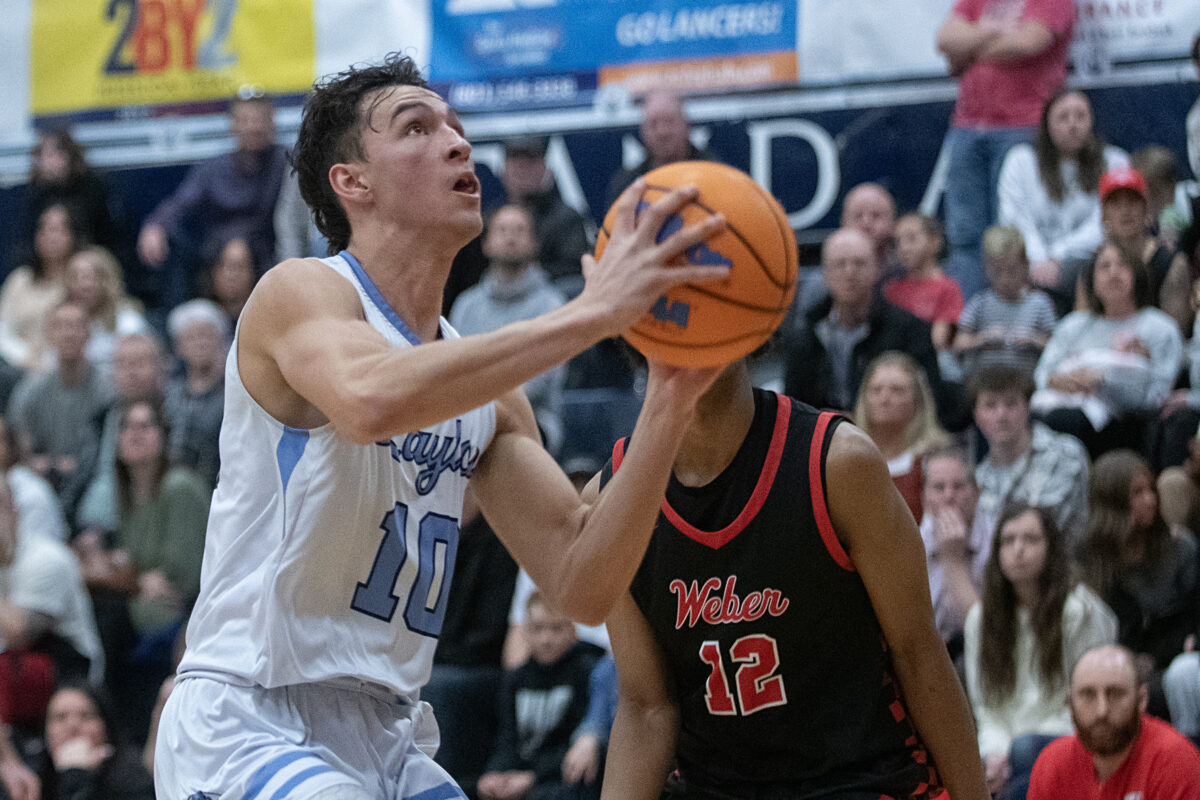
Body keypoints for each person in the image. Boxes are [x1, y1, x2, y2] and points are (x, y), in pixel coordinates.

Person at [153, 52, 731, 800]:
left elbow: (580, 583)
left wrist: (669, 401)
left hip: (389, 732)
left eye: (456, 127)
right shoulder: (301, 291)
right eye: (417, 129)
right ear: (351, 182)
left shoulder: (488, 391)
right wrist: (591, 315)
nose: (458, 143)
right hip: (251, 714)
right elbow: (369, 401)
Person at [597, 358, 989, 798]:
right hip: (712, 786)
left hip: (856, 779)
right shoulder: (612, 498)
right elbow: (646, 706)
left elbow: (918, 652)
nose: (691, 339)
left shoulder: (838, 462)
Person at [964, 505, 1116, 799]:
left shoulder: (1078, 610)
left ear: (1051, 548)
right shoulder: (980, 620)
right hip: (1004, 747)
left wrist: (1012, 752)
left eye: (1031, 539)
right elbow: (987, 708)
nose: (1018, 549)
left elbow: (1088, 702)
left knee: (1024, 753)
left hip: (1067, 737)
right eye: (1008, 540)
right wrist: (994, 753)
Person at [936, 0, 1076, 301]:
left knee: (1014, 235)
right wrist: (995, 31)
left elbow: (1028, 43)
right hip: (967, 127)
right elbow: (944, 39)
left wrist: (968, 50)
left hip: (1023, 127)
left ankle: (1017, 313)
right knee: (963, 234)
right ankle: (969, 317)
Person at [1076, 450, 1199, 719]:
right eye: (1138, 493)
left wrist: (1154, 657)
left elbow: (1190, 621)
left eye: (1151, 490)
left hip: (1170, 665)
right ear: (1113, 502)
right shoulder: (1087, 559)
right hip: (1109, 667)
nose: (1150, 499)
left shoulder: (1180, 550)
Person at [1031, 240, 1183, 458]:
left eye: (1122, 265)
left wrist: (1108, 381)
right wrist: (1063, 381)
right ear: (1091, 280)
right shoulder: (1073, 325)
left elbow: (1159, 396)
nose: (1113, 273)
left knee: (1066, 421)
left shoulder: (1160, 328)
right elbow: (1042, 376)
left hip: (1127, 426)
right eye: (1104, 267)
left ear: (1137, 274)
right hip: (1064, 406)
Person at [136, 91, 287, 308]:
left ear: (272, 122)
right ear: (232, 125)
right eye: (245, 119)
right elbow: (180, 203)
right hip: (216, 260)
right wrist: (155, 226)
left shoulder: (289, 163)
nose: (253, 127)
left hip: (271, 255)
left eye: (260, 119)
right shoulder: (213, 168)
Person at [784, 227, 950, 421]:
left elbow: (930, 401)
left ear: (876, 270)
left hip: (891, 432)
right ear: (825, 274)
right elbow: (793, 408)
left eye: (859, 263)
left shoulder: (911, 330)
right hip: (823, 433)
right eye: (840, 264)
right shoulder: (806, 331)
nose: (849, 272)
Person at [450, 204, 568, 455]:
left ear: (534, 244)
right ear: (486, 243)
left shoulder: (552, 304)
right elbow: (453, 368)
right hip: (467, 418)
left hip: (533, 422)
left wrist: (483, 402)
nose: (511, 237)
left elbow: (539, 379)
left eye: (519, 230)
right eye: (502, 230)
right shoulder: (466, 305)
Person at [998, 90, 1129, 314]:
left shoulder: (1115, 161)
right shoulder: (1021, 161)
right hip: (1031, 263)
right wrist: (1038, 259)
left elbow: (1104, 222)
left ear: (1092, 121)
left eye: (1080, 116)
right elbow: (1014, 218)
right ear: (1047, 125)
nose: (1073, 125)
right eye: (1063, 117)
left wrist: (1058, 255)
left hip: (1084, 261)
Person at [1027, 645, 1200, 799]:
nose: (1101, 711)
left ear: (1141, 699)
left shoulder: (1176, 762)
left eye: (1115, 694)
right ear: (1070, 704)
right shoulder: (1052, 765)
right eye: (1088, 695)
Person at [478, 592, 602, 800]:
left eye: (556, 628)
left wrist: (533, 778)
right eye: (538, 628)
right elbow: (507, 738)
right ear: (525, 631)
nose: (546, 639)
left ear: (573, 630)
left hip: (563, 779)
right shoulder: (515, 679)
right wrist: (496, 773)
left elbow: (577, 744)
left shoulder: (587, 672)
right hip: (521, 774)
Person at [6, 301, 112, 521]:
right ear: (49, 335)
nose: (68, 334)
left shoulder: (108, 390)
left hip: (92, 484)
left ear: (89, 334)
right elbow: (18, 446)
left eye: (75, 326)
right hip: (44, 485)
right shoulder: (31, 390)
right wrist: (40, 463)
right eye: (60, 326)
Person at [971, 364, 1090, 544]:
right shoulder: (978, 477)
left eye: (1011, 403)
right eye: (990, 405)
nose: (1001, 415)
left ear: (1028, 407)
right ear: (976, 416)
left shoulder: (1064, 452)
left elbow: (1040, 534)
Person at [852, 351, 951, 522]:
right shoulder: (850, 457)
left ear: (917, 399)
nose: (884, 399)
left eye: (897, 390)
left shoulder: (936, 457)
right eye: (876, 390)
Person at [953, 225, 1059, 379]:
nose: (1005, 279)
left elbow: (1056, 347)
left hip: (1027, 383)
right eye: (997, 271)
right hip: (985, 382)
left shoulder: (1040, 304)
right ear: (986, 268)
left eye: (1012, 270)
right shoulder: (980, 303)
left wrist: (1033, 339)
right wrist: (982, 339)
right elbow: (958, 345)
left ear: (1026, 265)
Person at [918, 446, 995, 653]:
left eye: (959, 486)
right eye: (939, 487)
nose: (949, 496)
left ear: (977, 492)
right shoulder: (913, 544)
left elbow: (991, 632)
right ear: (924, 497)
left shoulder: (999, 541)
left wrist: (953, 559)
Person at [38, 682, 155, 800]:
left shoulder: (132, 778)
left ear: (106, 727)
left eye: (86, 716)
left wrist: (76, 775)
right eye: (60, 717)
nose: (73, 726)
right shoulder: (33, 778)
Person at [499, 137, 591, 287]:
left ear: (544, 167)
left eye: (530, 160)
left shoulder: (567, 219)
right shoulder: (491, 217)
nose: (522, 167)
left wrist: (528, 273)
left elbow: (574, 270)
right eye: (515, 159)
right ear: (503, 169)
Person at [0, 203, 79, 369]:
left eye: (58, 229)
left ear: (73, 235)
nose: (51, 236)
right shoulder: (20, 279)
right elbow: (3, 329)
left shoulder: (79, 281)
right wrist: (23, 357)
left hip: (62, 367)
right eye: (44, 229)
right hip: (14, 364)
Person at [605, 89, 715, 208]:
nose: (662, 131)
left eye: (669, 121)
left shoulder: (713, 175)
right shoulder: (626, 185)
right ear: (643, 131)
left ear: (686, 125)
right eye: (653, 124)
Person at [163, 299, 229, 488]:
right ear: (179, 347)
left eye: (207, 335)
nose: (201, 343)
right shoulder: (169, 395)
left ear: (222, 341)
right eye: (192, 337)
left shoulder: (232, 396)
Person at [63, 246, 150, 373]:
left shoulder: (128, 323)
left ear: (106, 281)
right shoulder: (63, 325)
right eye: (75, 278)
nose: (82, 285)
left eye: (89, 277)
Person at [202, 236, 259, 327]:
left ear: (252, 273)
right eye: (225, 266)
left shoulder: (262, 319)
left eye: (239, 267)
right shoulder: (200, 319)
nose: (232, 275)